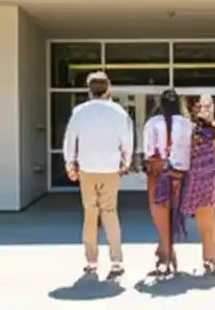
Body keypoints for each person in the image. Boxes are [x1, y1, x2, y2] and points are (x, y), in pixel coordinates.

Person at [62, 71, 133, 279]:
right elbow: (127, 140)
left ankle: (91, 261)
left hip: (87, 168)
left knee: (90, 214)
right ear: (108, 88)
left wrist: (70, 162)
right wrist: (126, 161)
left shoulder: (79, 112)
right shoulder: (119, 112)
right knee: (110, 213)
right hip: (110, 168)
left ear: (89, 89)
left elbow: (70, 139)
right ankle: (117, 260)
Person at [142, 88, 191, 276]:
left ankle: (166, 252)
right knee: (174, 216)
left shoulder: (153, 123)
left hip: (158, 174)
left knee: (160, 215)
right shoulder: (187, 124)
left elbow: (148, 151)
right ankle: (165, 250)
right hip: (180, 175)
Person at [180, 94, 215, 277]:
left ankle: (209, 260)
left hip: (197, 183)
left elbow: (189, 157)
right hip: (210, 182)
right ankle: (210, 259)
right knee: (210, 224)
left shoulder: (194, 134)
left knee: (202, 224)